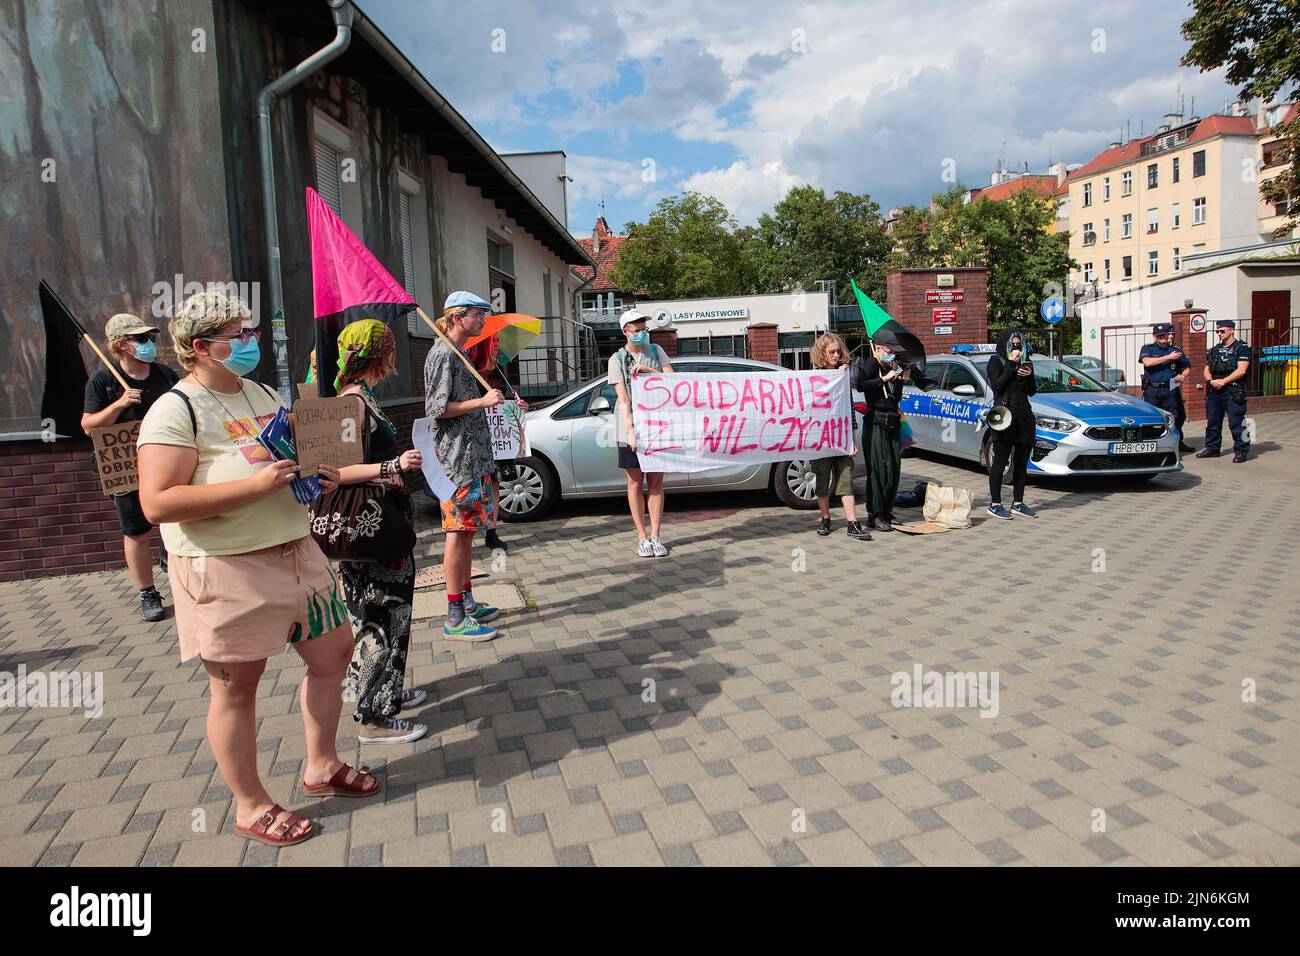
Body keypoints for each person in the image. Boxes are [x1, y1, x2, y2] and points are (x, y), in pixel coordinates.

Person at [137, 288, 377, 849]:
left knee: (334, 653)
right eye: (239, 335)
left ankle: (321, 765)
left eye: (250, 330)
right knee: (236, 689)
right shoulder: (176, 409)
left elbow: (286, 454)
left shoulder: (260, 390)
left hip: (295, 547)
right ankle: (250, 805)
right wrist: (253, 486)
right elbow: (157, 503)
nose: (252, 341)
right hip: (225, 566)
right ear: (201, 347)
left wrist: (318, 470)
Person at [331, 319, 427, 744]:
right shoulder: (351, 403)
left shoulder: (365, 397)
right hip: (367, 534)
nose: (395, 355)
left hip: (384, 527)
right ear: (379, 354)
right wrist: (393, 466)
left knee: (393, 617)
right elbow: (334, 472)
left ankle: (389, 695)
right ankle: (373, 719)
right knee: (377, 622)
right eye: (390, 347)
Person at [81, 313, 179, 622]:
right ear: (121, 345)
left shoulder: (165, 375)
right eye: (140, 339)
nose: (149, 343)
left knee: (175, 517)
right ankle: (147, 591)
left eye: (150, 337)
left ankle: (173, 561)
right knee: (136, 530)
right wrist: (120, 404)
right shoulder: (103, 380)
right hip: (125, 467)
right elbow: (88, 425)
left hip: (165, 461)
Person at [425, 291, 504, 642]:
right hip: (457, 461)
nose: (483, 320)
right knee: (457, 533)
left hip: (473, 458)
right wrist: (482, 401)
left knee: (468, 531)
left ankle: (468, 603)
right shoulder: (443, 353)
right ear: (458, 317)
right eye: (478, 315)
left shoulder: (460, 353)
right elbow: (438, 408)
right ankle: (455, 615)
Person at [609, 309, 674, 557]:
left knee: (656, 481)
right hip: (631, 425)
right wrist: (630, 430)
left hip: (657, 424)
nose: (641, 334)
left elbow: (673, 382)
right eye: (636, 330)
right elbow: (623, 398)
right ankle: (642, 536)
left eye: (644, 329)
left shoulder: (656, 352)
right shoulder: (617, 359)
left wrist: (650, 372)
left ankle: (656, 535)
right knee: (635, 482)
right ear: (625, 332)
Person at [465, 334, 528, 553]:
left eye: (499, 341)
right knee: (480, 485)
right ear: (484, 346)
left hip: (500, 436)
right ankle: (472, 528)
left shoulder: (500, 371)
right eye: (494, 342)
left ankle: (492, 530)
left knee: (494, 483)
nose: (498, 346)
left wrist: (519, 405)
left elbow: (509, 400)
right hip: (481, 437)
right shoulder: (473, 372)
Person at [809, 334, 870, 540]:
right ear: (822, 354)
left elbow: (849, 411)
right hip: (820, 440)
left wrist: (852, 440)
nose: (836, 355)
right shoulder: (813, 377)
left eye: (838, 351)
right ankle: (825, 519)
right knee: (822, 482)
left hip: (841, 438)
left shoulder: (844, 377)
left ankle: (852, 523)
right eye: (831, 352)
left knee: (846, 481)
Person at [985, 328, 1038, 520]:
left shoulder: (1026, 362)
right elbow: (998, 385)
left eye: (1019, 344)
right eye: (1013, 344)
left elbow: (1032, 391)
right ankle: (995, 504)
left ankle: (1018, 502)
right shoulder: (996, 361)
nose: (1016, 347)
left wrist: (1028, 375)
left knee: (1021, 464)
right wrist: (1010, 364)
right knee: (1000, 462)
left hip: (1023, 416)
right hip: (1004, 416)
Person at [859, 340, 911, 532]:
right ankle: (874, 513)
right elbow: (861, 385)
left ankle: (887, 510)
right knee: (879, 468)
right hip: (876, 421)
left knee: (893, 467)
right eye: (888, 350)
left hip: (892, 420)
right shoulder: (872, 363)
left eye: (893, 351)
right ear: (878, 348)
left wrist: (899, 382)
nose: (891, 353)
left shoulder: (890, 366)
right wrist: (884, 379)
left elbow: (894, 399)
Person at [1197, 319, 1252, 463]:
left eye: (1222, 331)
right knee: (1213, 421)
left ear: (1232, 330)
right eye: (1217, 331)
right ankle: (1212, 448)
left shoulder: (1242, 348)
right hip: (1215, 390)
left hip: (1233, 390)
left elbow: (1242, 370)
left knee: (1237, 422)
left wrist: (1224, 381)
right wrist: (1210, 381)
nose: (1219, 334)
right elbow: (1207, 369)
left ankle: (1242, 451)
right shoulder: (1215, 350)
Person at [1138, 323, 1194, 453]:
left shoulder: (1176, 350)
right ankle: (1151, 446)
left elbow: (1186, 368)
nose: (1162, 338)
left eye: (1164, 335)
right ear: (1154, 336)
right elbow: (1147, 362)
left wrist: (1183, 375)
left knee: (1175, 417)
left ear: (1168, 334)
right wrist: (1168, 357)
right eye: (1159, 336)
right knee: (1151, 418)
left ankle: (1175, 445)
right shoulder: (1148, 349)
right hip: (1153, 390)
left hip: (1171, 390)